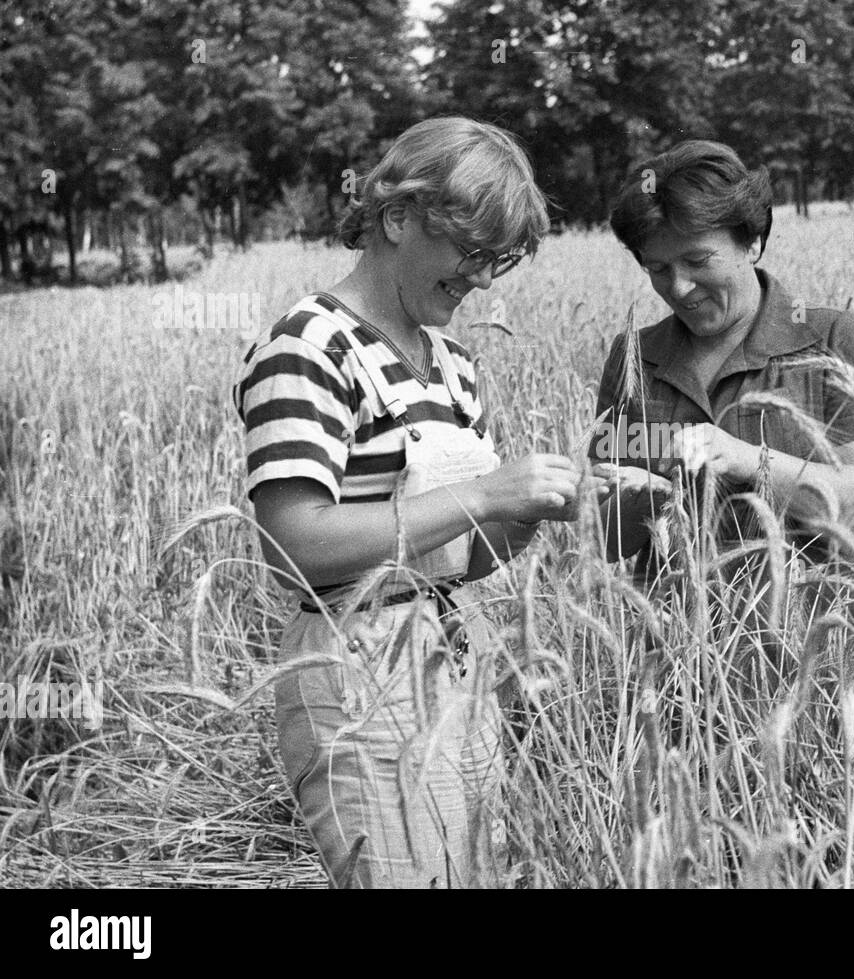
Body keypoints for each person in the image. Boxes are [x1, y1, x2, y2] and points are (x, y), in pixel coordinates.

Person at [233, 117, 589, 887]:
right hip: (354, 666)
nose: (484, 279)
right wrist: (485, 491)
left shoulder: (452, 364)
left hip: (455, 650)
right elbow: (295, 547)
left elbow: (466, 556)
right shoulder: (311, 346)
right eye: (472, 252)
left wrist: (523, 514)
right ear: (398, 217)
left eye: (499, 260)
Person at [592, 139, 854, 597]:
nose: (679, 288)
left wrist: (742, 459)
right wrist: (655, 488)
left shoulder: (835, 338)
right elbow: (604, 535)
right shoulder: (633, 357)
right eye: (658, 269)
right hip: (678, 647)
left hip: (820, 641)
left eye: (697, 260)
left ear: (753, 242)